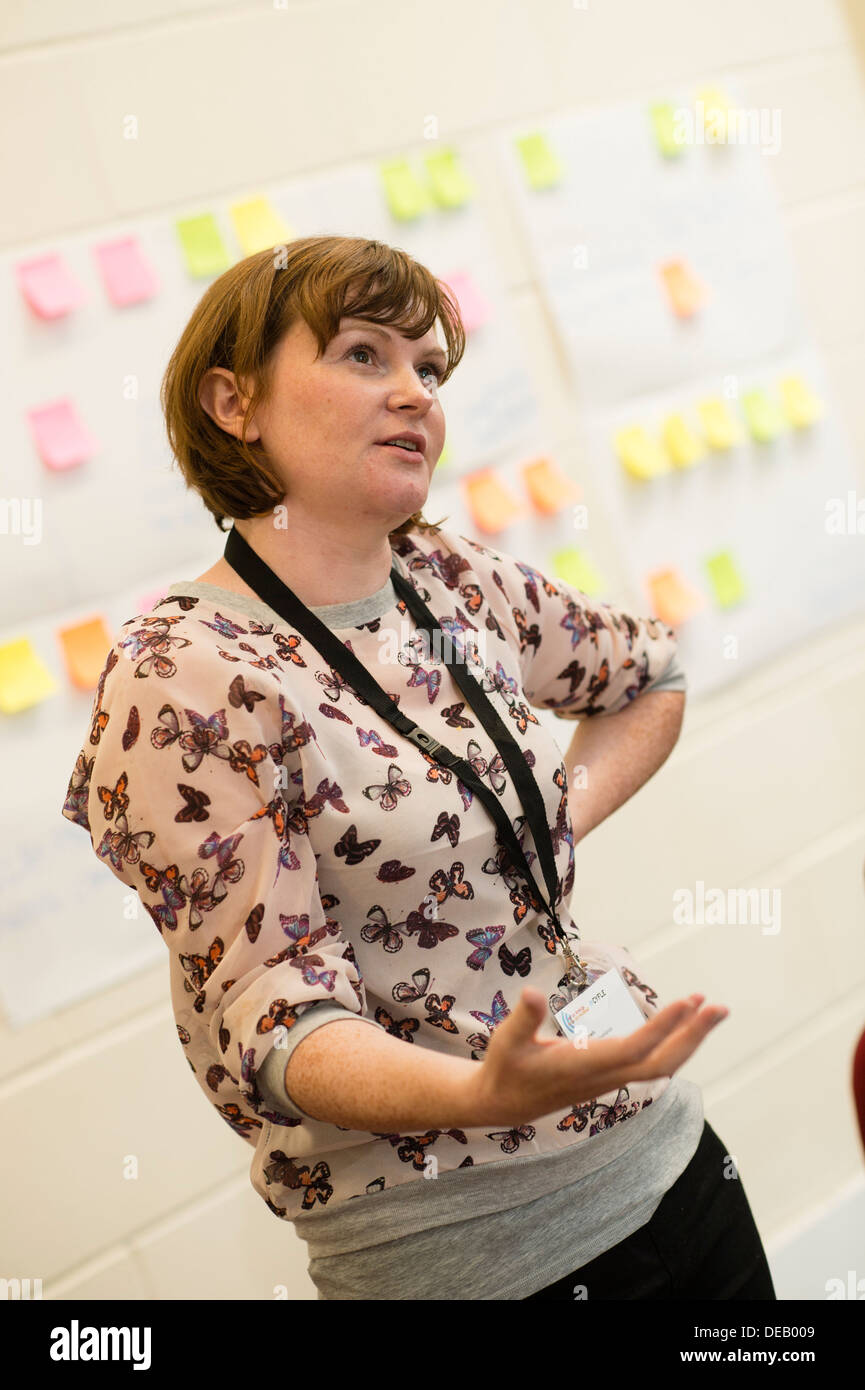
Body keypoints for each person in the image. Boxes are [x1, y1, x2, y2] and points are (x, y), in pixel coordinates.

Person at [61, 234, 775, 1301]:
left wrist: (548, 821)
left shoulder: (446, 575)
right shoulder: (181, 674)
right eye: (363, 355)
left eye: (430, 368)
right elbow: (279, 1022)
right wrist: (481, 1092)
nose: (415, 394)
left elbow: (649, 673)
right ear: (232, 402)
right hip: (473, 1255)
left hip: (669, 1163)